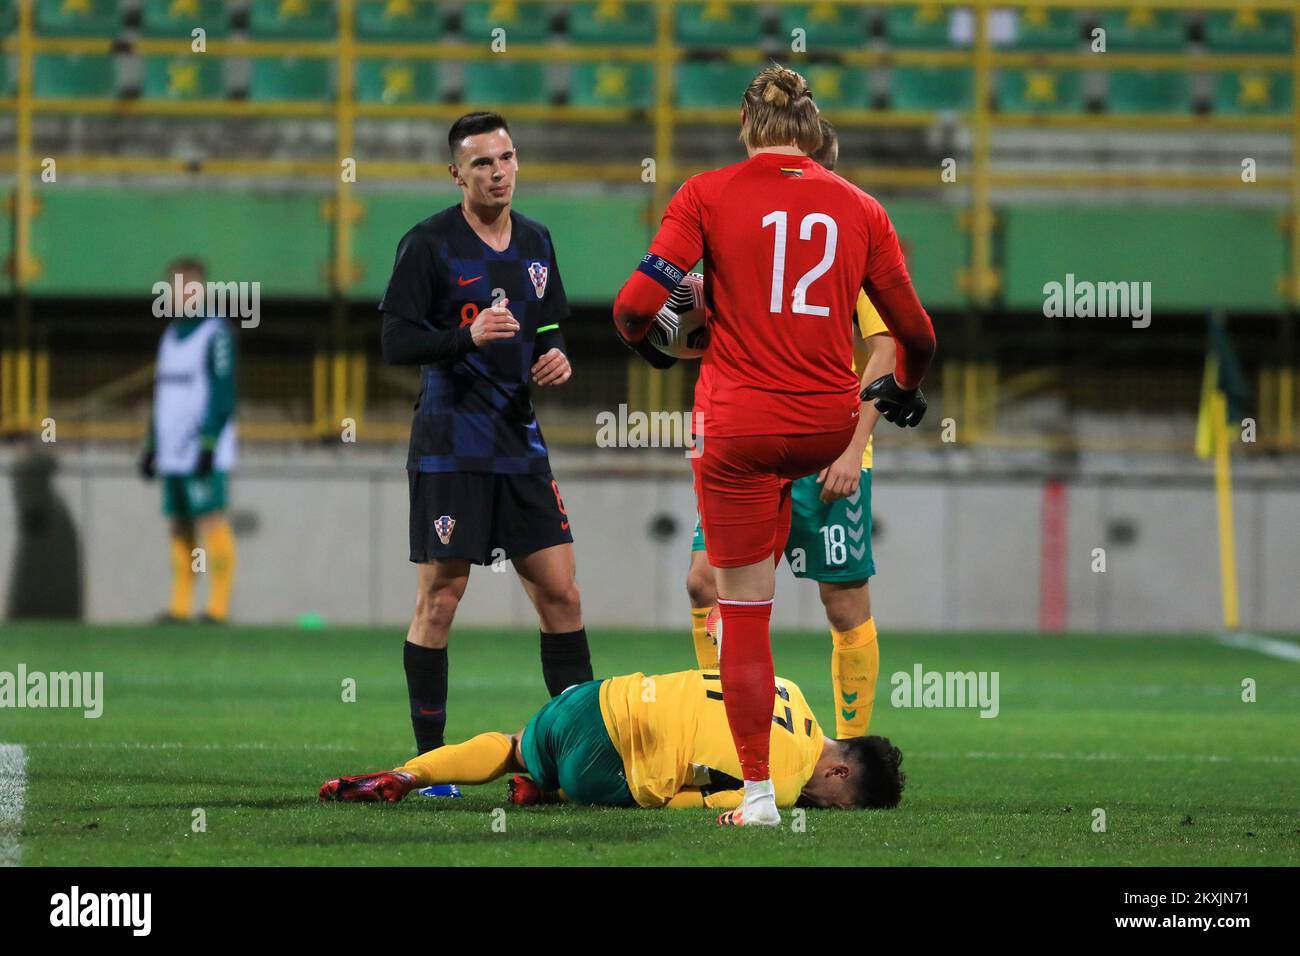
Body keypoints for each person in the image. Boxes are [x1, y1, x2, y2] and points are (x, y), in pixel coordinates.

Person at [612, 65, 935, 826]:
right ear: (815, 135)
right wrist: (904, 391)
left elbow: (635, 307)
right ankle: (767, 739)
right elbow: (914, 334)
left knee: (745, 611)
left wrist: (646, 344)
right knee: (725, 587)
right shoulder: (859, 210)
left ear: (745, 126)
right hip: (827, 422)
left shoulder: (707, 195)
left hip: (741, 428)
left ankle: (758, 790)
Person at [379, 111, 592, 757]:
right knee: (441, 599)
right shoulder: (428, 245)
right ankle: (429, 760)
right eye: (481, 163)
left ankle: (579, 754)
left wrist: (554, 355)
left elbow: (549, 324)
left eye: (505, 158)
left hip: (517, 439)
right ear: (456, 174)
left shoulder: (536, 240)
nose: (497, 172)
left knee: (562, 594)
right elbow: (395, 340)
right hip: (450, 444)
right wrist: (462, 337)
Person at [686, 121, 894, 741]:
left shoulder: (846, 242)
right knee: (704, 581)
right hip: (751, 442)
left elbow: (887, 350)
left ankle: (850, 751)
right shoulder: (744, 239)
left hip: (828, 448)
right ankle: (725, 725)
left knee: (844, 601)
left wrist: (852, 449)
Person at [319, 668, 905, 817]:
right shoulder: (774, 786)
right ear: (840, 775)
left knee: (511, 743)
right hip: (603, 769)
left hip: (589, 701)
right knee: (650, 788)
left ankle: (407, 773)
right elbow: (685, 805)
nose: (824, 808)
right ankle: (552, 795)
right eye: (840, 805)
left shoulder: (791, 690)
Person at [139, 257, 238, 624]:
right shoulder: (170, 335)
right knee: (179, 523)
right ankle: (180, 606)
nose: (177, 294)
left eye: (184, 287)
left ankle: (218, 606)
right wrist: (151, 444)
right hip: (171, 449)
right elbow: (162, 396)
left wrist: (210, 444)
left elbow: (223, 392)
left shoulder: (216, 333)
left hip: (200, 447)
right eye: (172, 287)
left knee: (210, 518)